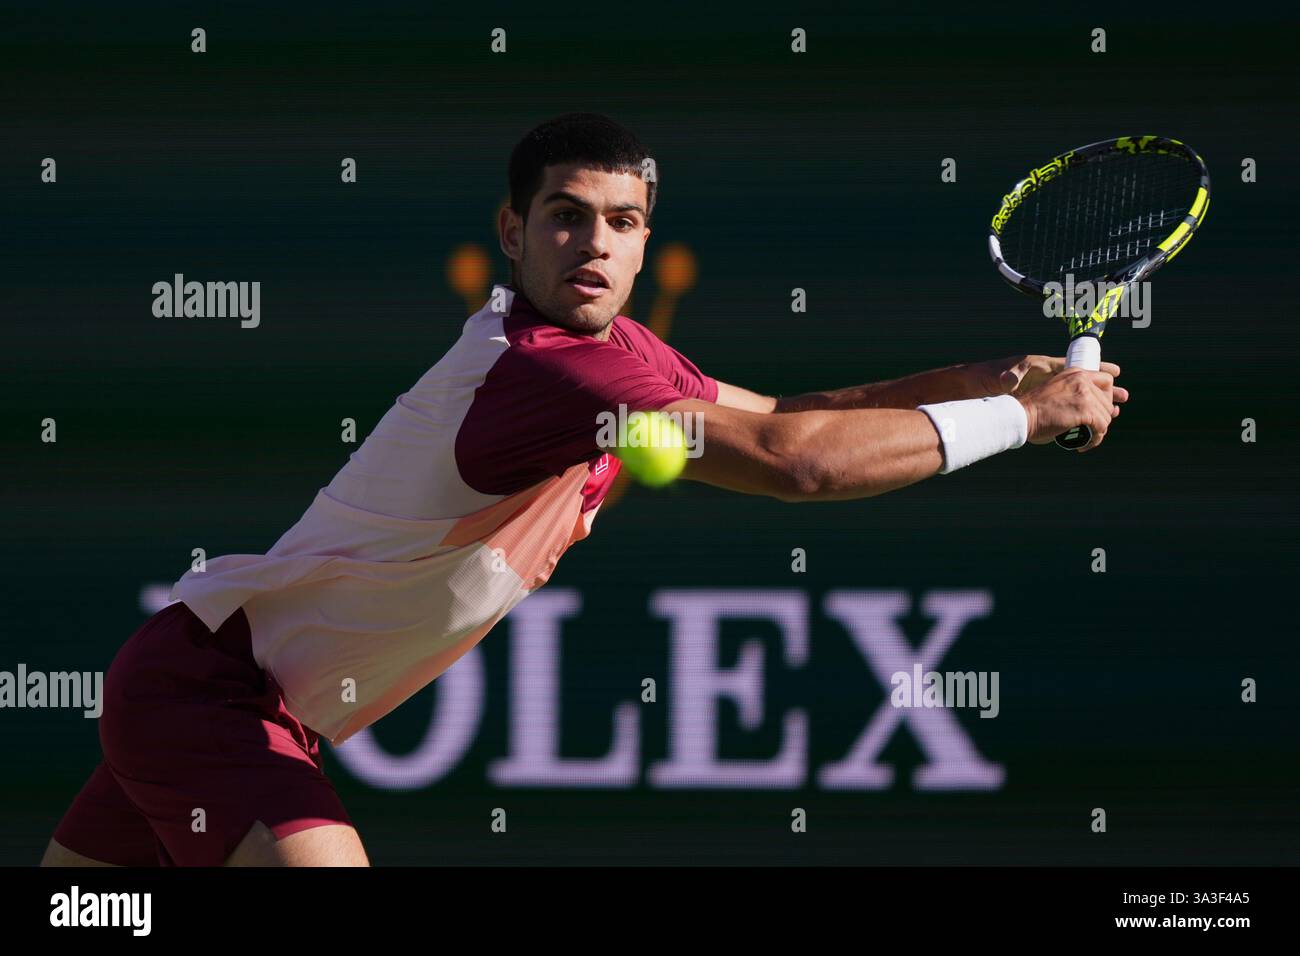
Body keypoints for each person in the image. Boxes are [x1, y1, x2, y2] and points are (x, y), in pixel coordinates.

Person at [42, 112, 1125, 867]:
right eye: (564, 215)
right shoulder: (549, 368)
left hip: (197, 682)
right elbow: (800, 465)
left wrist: (974, 378)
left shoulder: (625, 354)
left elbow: (789, 411)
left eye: (619, 219)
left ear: (647, 237)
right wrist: (1029, 418)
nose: (593, 241)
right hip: (218, 696)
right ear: (512, 232)